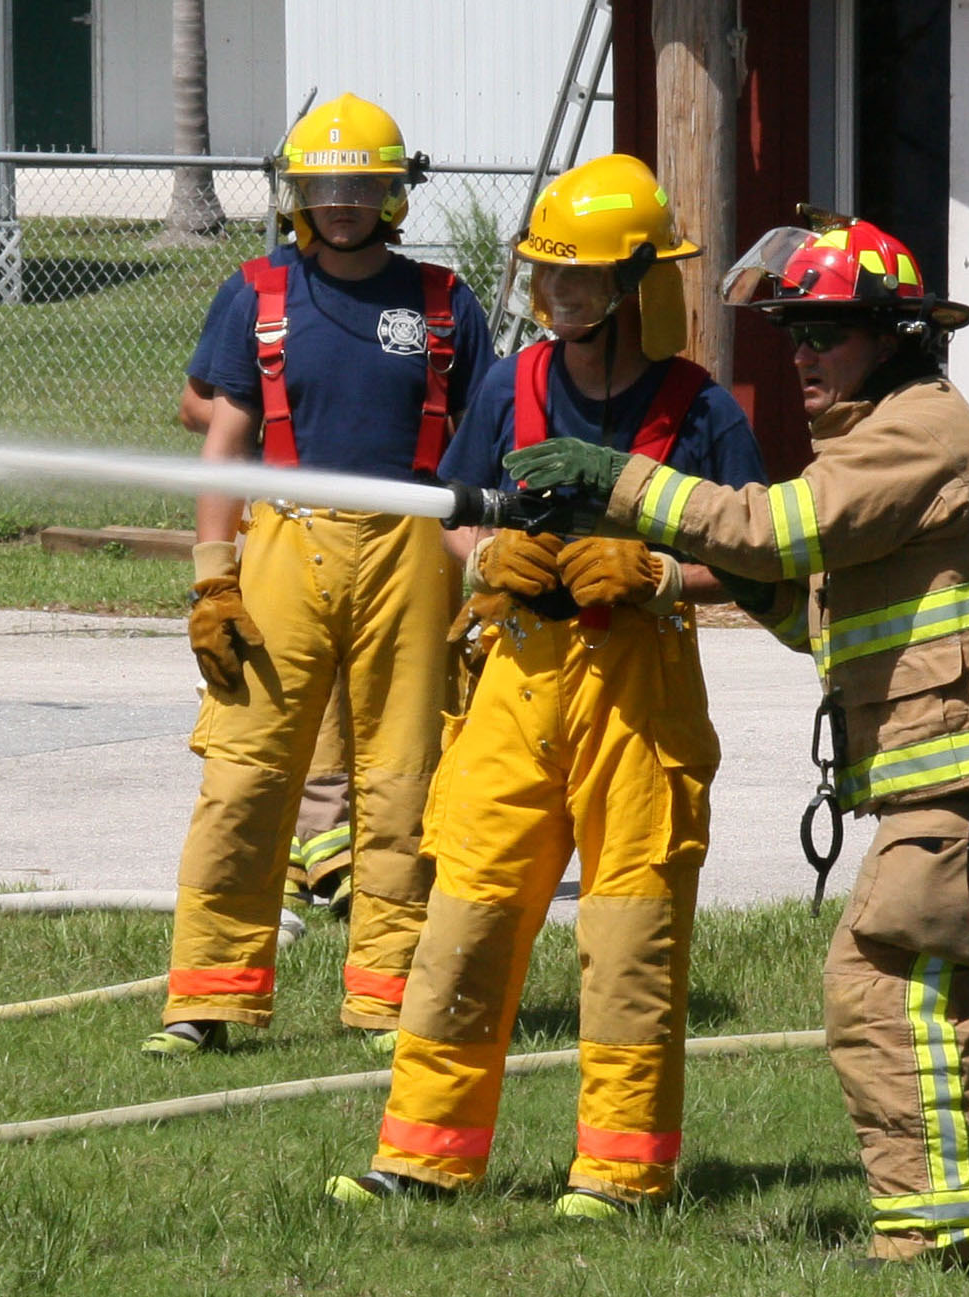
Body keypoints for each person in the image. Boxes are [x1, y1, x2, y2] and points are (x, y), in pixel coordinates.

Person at [507, 212, 969, 1263]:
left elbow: (778, 531)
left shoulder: (913, 429)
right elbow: (814, 590)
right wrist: (656, 565)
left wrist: (615, 480)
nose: (804, 353)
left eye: (829, 332)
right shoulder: (883, 435)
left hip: (964, 767)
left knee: (884, 982)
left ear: (895, 335)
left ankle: (941, 1228)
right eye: (794, 333)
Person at [328, 153, 759, 1218]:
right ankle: (423, 1156)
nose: (555, 300)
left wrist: (658, 571)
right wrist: (481, 559)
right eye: (545, 279)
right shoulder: (508, 386)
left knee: (629, 940)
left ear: (636, 284)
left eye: (576, 281)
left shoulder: (701, 412)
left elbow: (761, 554)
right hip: (515, 682)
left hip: (640, 693)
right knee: (467, 914)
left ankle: (620, 1174)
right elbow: (453, 510)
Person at [151, 93, 488, 1056]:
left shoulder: (443, 302)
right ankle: (206, 997)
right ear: (296, 192)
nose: (341, 203)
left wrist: (490, 571)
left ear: (395, 191)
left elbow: (484, 443)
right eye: (322, 186)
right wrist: (215, 579)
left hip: (414, 554)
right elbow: (224, 437)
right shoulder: (255, 293)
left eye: (361, 185)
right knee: (246, 773)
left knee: (405, 780)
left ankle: (389, 998)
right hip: (283, 549)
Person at [180, 374, 360, 912]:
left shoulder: (434, 301)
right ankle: (313, 844)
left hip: (388, 536)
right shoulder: (257, 299)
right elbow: (195, 408)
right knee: (271, 692)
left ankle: (310, 848)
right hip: (284, 527)